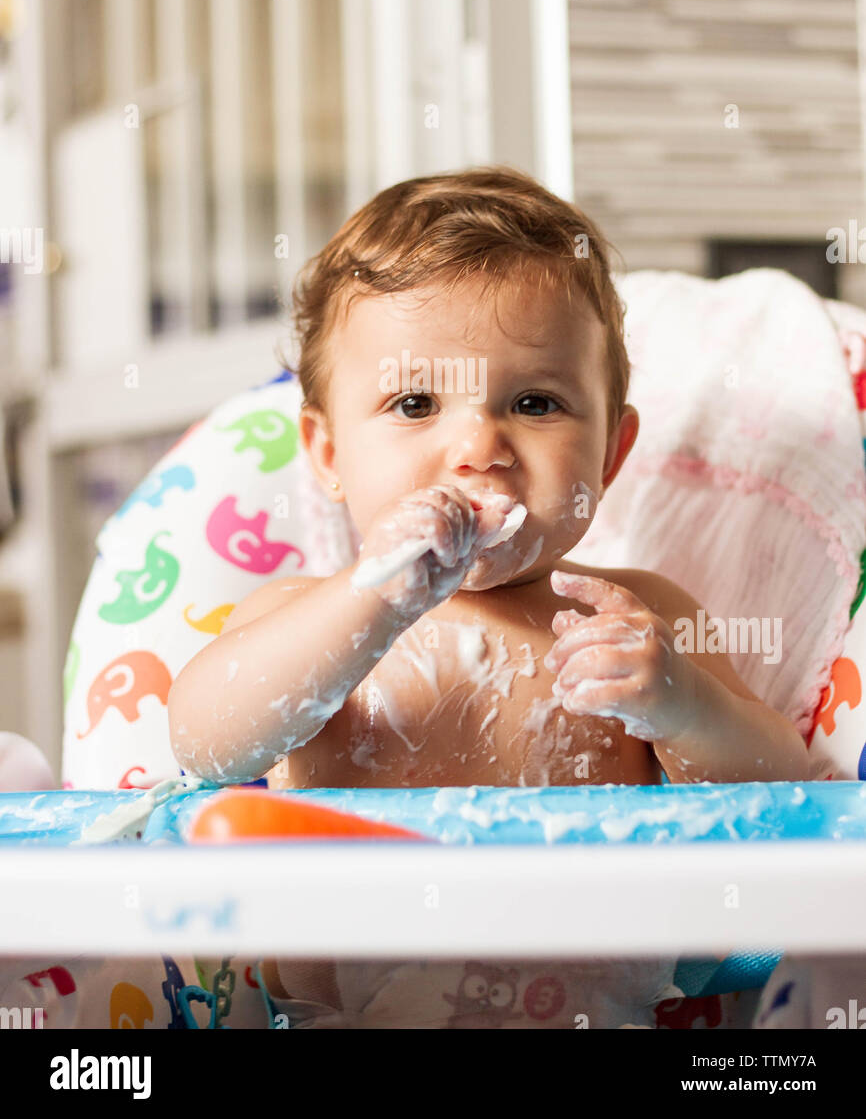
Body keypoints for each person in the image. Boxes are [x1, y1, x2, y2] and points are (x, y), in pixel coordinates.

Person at [167, 166, 810, 1028]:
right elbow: (207, 744)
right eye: (415, 402)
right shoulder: (305, 617)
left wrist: (683, 706)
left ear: (610, 456)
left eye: (535, 402)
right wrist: (370, 606)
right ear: (325, 453)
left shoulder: (637, 618)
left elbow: (778, 793)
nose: (478, 445)